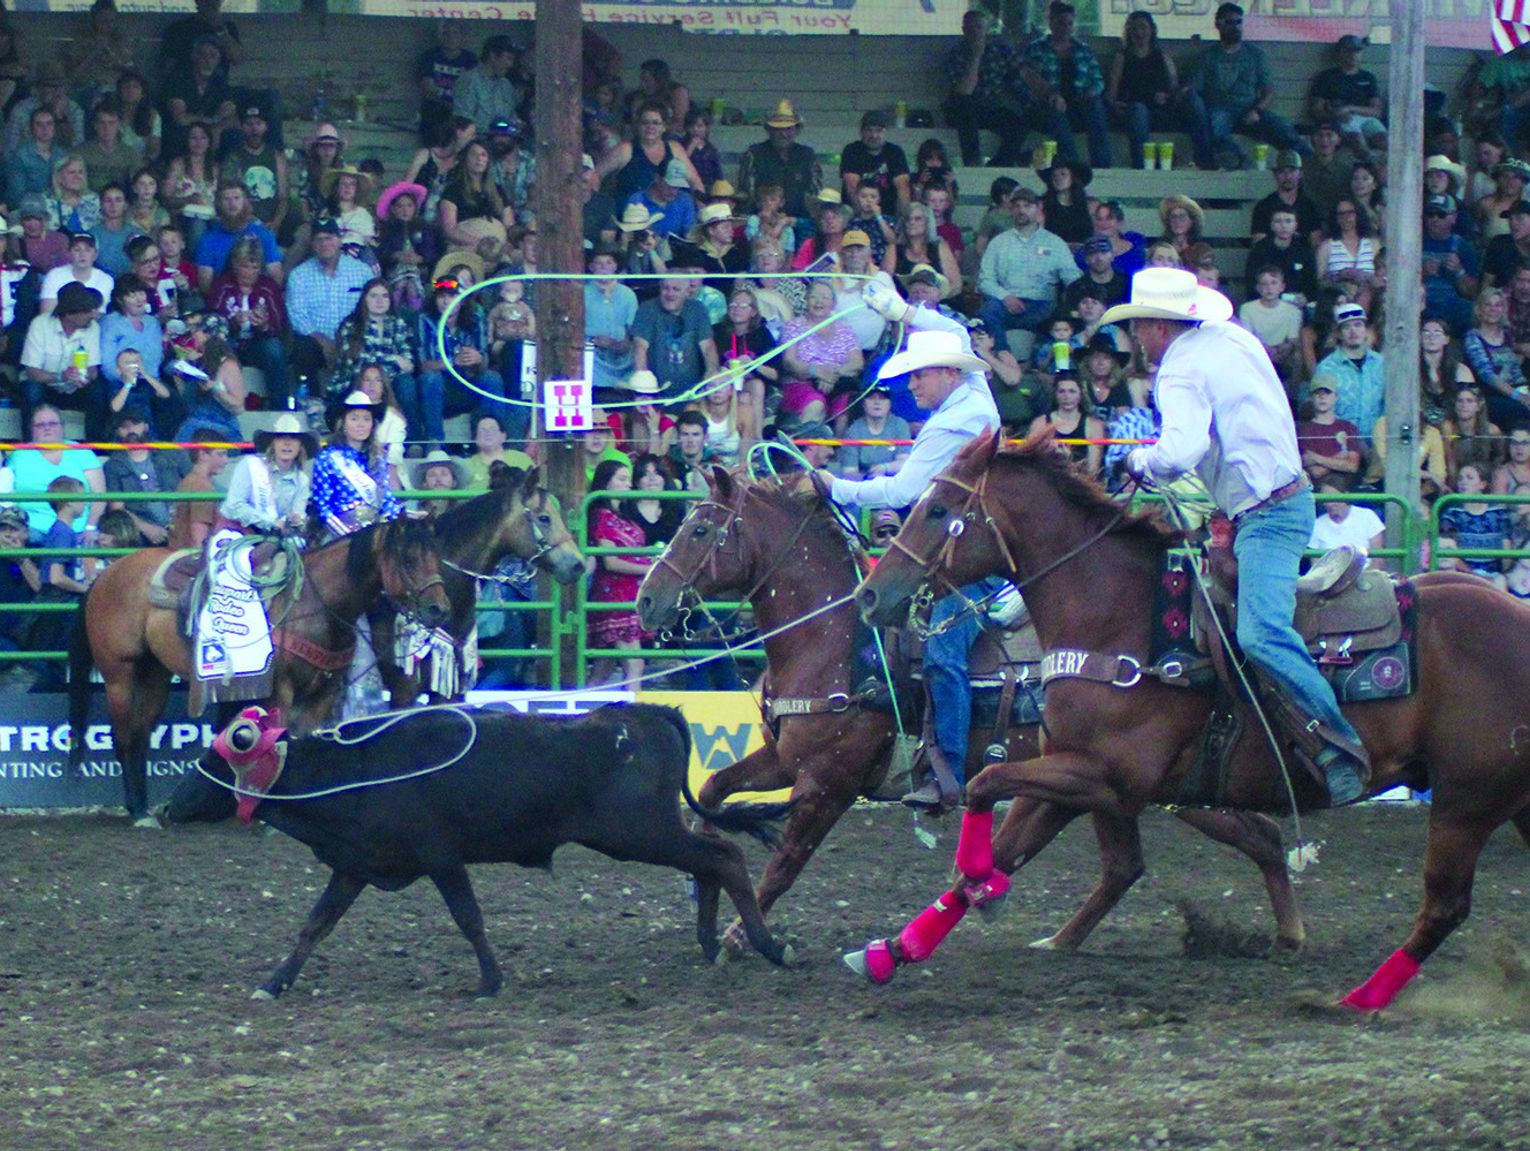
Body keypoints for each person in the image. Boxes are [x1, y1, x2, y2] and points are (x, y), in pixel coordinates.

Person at [1114, 266, 1367, 804]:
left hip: (1267, 515)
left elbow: (1178, 452)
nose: (1136, 335)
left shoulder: (1179, 371)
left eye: (1139, 324)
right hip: (1267, 502)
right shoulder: (1231, 338)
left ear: (1159, 326)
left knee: (1260, 633)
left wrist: (1139, 459)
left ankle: (1340, 742)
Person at [814, 287, 1001, 811]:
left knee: (943, 651)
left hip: (971, 558)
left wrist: (837, 487)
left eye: (919, 374)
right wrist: (901, 312)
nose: (911, 384)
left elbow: (900, 494)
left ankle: (949, 771)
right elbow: (959, 334)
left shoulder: (952, 424)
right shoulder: (974, 395)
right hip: (967, 545)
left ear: (946, 374)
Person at [1186, 3, 1307, 170]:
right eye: (1230, 22)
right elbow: (1193, 89)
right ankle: (1242, 165)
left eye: (1239, 22)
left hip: (1250, 108)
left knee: (1283, 127)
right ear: (1218, 25)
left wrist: (1257, 110)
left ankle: (1311, 163)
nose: (1236, 27)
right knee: (1214, 127)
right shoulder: (1207, 56)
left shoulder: (1255, 54)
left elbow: (1268, 91)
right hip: (1219, 109)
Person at [1106, 9, 1212, 171]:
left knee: (1192, 99)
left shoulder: (1162, 56)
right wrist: (1115, 106)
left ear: (1151, 30)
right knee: (1138, 111)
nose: (1139, 32)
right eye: (1134, 28)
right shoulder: (1122, 57)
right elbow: (1112, 92)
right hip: (1134, 110)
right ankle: (1142, 168)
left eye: (1143, 27)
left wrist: (1171, 96)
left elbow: (1174, 87)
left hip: (1161, 110)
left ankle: (1205, 161)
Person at [977, 185, 1081, 344]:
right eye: (1017, 206)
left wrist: (1078, 294)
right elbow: (985, 280)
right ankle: (1003, 358)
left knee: (1061, 318)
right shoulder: (998, 243)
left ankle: (1043, 363)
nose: (1021, 210)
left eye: (1027, 206)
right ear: (1011, 209)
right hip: (1006, 302)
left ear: (1038, 208)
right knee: (986, 313)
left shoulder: (1054, 242)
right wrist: (1005, 296)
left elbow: (1072, 276)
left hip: (1043, 305)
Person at [942, 8, 1043, 169]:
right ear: (963, 31)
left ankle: (999, 165)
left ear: (987, 30)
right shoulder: (956, 54)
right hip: (961, 110)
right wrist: (976, 56)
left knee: (1019, 126)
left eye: (979, 27)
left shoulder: (1000, 49)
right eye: (970, 28)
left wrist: (1050, 93)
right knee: (966, 107)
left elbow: (1026, 73)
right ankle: (973, 164)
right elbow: (965, 90)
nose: (974, 32)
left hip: (988, 108)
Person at [1022, 1, 1113, 168]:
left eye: (1069, 23)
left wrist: (1090, 92)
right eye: (1060, 23)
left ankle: (1102, 166)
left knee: (1096, 105)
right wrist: (1045, 96)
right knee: (1054, 111)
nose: (1065, 27)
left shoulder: (1083, 50)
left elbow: (1098, 80)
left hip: (1079, 103)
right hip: (1047, 105)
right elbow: (1023, 79)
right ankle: (1072, 166)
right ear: (1051, 22)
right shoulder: (1036, 49)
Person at [286, 217, 372, 387]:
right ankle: (312, 400)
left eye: (329, 238)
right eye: (319, 239)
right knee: (303, 347)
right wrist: (324, 342)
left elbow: (371, 307)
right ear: (312, 244)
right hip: (316, 341)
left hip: (353, 338)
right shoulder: (299, 275)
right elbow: (297, 317)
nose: (324, 243)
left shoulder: (362, 271)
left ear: (339, 241)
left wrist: (350, 340)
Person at [585, 457, 649, 688]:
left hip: (630, 595)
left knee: (604, 668)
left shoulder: (624, 517)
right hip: (615, 596)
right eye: (622, 479)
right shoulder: (602, 516)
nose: (628, 484)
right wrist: (648, 568)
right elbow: (610, 561)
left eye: (629, 480)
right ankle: (635, 718)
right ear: (606, 483)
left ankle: (583, 713)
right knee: (634, 663)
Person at [206, 235, 288, 407]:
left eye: (255, 267)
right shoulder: (222, 285)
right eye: (245, 266)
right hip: (229, 345)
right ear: (235, 264)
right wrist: (233, 322)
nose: (250, 272)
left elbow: (280, 326)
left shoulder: (268, 287)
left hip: (257, 346)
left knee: (274, 349)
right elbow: (211, 322)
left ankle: (280, 408)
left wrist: (264, 326)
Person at [309, 390, 399, 541]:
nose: (361, 425)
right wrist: (346, 536)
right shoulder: (327, 458)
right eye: (354, 419)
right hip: (338, 533)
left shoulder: (378, 459)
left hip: (374, 531)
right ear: (343, 423)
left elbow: (387, 501)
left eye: (366, 419)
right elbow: (322, 506)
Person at [21, 281, 103, 438]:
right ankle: (30, 445)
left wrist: (85, 377)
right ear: (69, 313)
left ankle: (95, 447)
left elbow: (93, 368)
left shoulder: (93, 327)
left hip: (76, 389)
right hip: (46, 388)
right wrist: (61, 376)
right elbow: (31, 371)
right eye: (87, 311)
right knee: (32, 390)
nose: (92, 315)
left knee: (98, 391)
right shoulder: (40, 324)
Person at [102, 403, 189, 545]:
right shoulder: (113, 465)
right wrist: (146, 528)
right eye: (124, 426)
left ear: (146, 426)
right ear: (117, 431)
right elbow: (117, 508)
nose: (131, 430)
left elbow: (194, 486)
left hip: (182, 524)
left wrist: (183, 522)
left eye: (135, 424)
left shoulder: (172, 452)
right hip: (141, 535)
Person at [632, 275, 719, 404]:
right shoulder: (647, 308)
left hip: (692, 391)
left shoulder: (697, 309)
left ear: (687, 292)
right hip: (656, 391)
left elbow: (708, 347)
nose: (670, 293)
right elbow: (640, 346)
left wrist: (710, 376)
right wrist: (644, 387)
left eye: (676, 289)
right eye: (665, 288)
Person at [734, 100, 823, 225]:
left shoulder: (807, 155)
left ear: (796, 130)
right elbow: (747, 194)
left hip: (799, 222)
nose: (784, 134)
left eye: (788, 129)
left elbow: (815, 194)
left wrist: (807, 223)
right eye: (778, 129)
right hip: (762, 222)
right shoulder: (754, 154)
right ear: (769, 130)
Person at [193, 179, 281, 294]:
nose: (232, 204)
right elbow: (205, 284)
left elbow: (276, 276)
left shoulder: (264, 235)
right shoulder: (208, 239)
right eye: (226, 199)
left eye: (237, 198)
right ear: (219, 203)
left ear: (245, 201)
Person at [1308, 34, 1386, 162]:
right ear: (1340, 52)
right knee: (1357, 140)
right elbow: (1316, 109)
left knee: (1385, 141)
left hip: (1365, 119)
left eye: (1357, 51)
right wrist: (1334, 116)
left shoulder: (1368, 77)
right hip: (1340, 121)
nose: (1353, 55)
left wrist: (1349, 108)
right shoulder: (1327, 77)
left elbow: (1377, 111)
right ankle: (1370, 168)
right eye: (1349, 51)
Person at [1314, 301, 1385, 439]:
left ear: (1366, 330)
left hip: (1379, 443)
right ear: (1338, 334)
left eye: (1358, 325)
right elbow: (1321, 410)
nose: (1353, 331)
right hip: (1341, 444)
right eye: (1346, 327)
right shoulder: (1326, 368)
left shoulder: (1382, 364)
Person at [1438, 462, 1511, 588]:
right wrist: (1475, 577)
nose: (1463, 482)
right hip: (1462, 574)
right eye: (1460, 478)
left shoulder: (1498, 513)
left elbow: (1507, 550)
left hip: (1494, 575)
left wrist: (1504, 574)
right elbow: (1449, 551)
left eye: (1469, 478)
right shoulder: (1452, 513)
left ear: (1482, 484)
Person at [452, 35, 525, 136]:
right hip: (477, 142)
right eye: (508, 58)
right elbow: (463, 123)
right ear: (493, 56)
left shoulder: (506, 85)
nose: (510, 65)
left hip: (504, 143)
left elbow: (512, 116)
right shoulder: (469, 80)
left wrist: (516, 124)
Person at [1294, 375, 1362, 485]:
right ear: (1311, 397)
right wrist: (1341, 457)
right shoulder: (1303, 430)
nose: (1322, 397)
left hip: (1347, 490)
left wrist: (1316, 458)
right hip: (1318, 490)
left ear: (1336, 397)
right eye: (1317, 393)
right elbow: (1315, 472)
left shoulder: (1348, 427)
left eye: (1327, 392)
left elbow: (1352, 466)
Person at [836, 381, 911, 480]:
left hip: (893, 483)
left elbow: (904, 463)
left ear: (890, 404)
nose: (877, 402)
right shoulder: (854, 430)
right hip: (863, 483)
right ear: (863, 403)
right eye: (871, 398)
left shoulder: (900, 425)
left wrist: (884, 468)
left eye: (882, 398)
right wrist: (869, 478)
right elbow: (849, 472)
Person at [840, 109, 910, 213]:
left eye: (878, 130)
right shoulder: (852, 150)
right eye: (869, 130)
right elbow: (852, 186)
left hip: (887, 214)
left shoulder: (895, 152)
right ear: (861, 132)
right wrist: (863, 218)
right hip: (857, 214)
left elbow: (902, 187)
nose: (874, 135)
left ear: (886, 131)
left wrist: (902, 219)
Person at [167, 433, 228, 550]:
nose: (225, 460)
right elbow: (199, 534)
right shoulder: (201, 487)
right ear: (203, 454)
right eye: (220, 454)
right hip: (189, 556)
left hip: (178, 552)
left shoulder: (189, 481)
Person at [1249, 152, 1322, 247]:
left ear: (1300, 174)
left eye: (1292, 171)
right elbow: (1259, 243)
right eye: (1282, 172)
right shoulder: (1264, 206)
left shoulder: (1309, 206)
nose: (1287, 176)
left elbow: (1316, 241)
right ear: (1275, 175)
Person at [1441, 384, 1505, 487]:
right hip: (1459, 479)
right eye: (1460, 401)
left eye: (1469, 401)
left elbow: (1501, 455)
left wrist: (1491, 474)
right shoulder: (1448, 428)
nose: (1463, 405)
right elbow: (1451, 464)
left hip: (1484, 479)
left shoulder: (1492, 430)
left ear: (1479, 406)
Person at [1309, 475, 1385, 557]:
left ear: (1346, 495)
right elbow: (1316, 564)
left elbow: (1378, 559)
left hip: (1366, 569)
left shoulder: (1368, 516)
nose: (1331, 503)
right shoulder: (1317, 525)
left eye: (1335, 496)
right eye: (1326, 498)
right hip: (1332, 570)